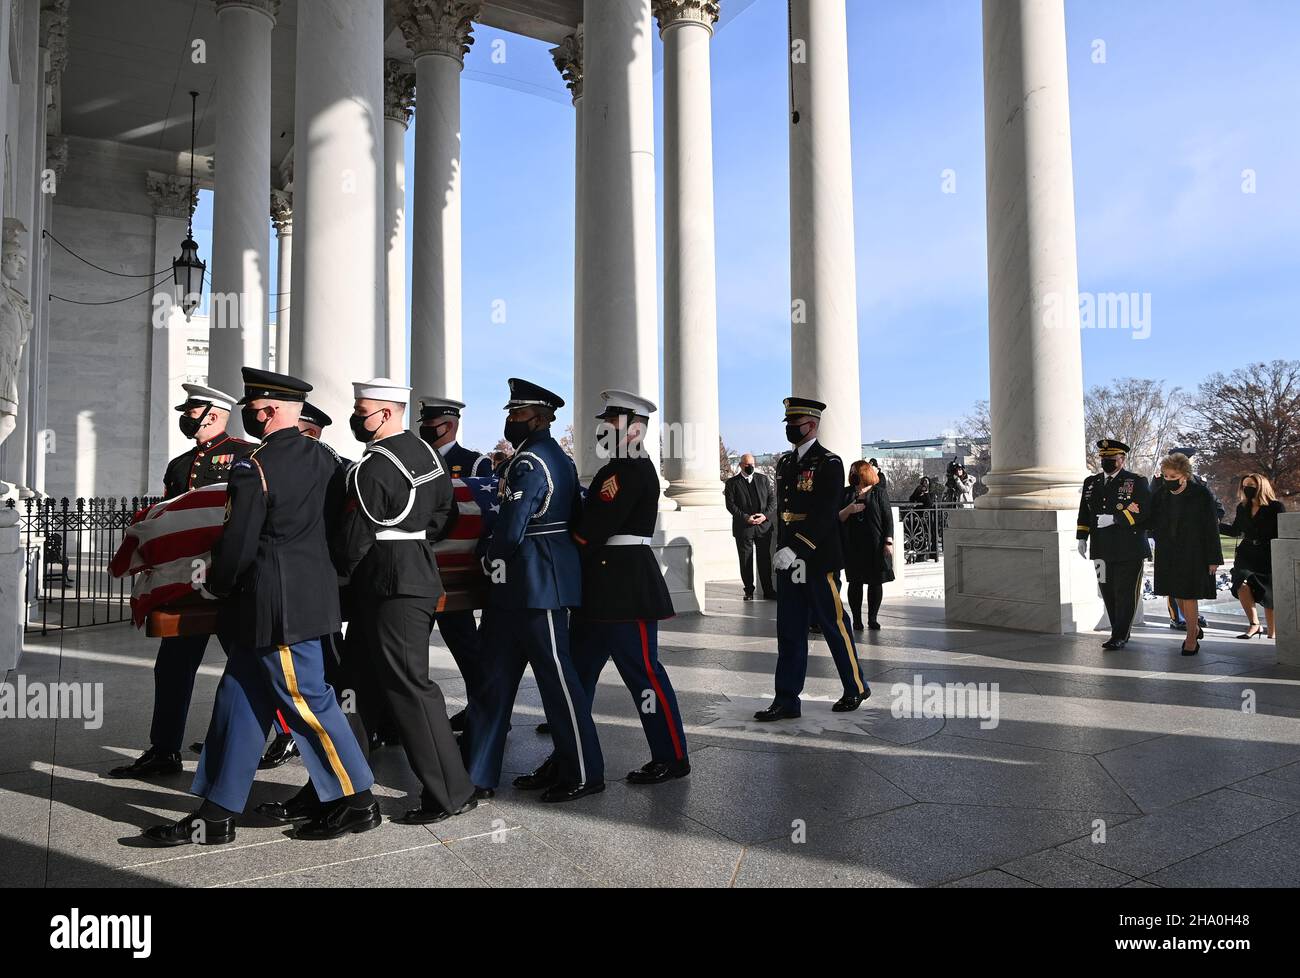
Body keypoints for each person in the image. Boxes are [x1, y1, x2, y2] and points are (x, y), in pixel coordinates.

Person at [140, 368, 377, 846]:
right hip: (297, 598)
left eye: (250, 406)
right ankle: (218, 811)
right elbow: (342, 526)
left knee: (307, 699)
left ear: (265, 411)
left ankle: (358, 801)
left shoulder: (255, 466)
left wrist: (218, 585)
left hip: (276, 606)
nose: (247, 414)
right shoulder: (327, 459)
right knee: (239, 700)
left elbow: (238, 542)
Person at [329, 378, 478, 824]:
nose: (357, 417)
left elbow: (354, 540)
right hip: (410, 572)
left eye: (363, 409)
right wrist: (411, 541)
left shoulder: (372, 467)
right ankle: (340, 785)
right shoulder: (428, 457)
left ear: (388, 413)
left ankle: (451, 792)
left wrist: (333, 585)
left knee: (409, 688)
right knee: (354, 685)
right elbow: (445, 516)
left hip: (387, 584)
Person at [106, 383, 256, 781]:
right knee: (172, 667)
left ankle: (266, 738)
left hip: (230, 581)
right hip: (187, 586)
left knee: (249, 664)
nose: (186, 416)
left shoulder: (246, 455)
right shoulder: (179, 464)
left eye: (193, 410)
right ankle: (164, 749)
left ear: (215, 413)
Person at [464, 378, 603, 803]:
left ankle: (581, 771)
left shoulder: (531, 463)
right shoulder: (553, 458)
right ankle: (479, 771)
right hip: (527, 585)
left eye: (518, 414)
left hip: (535, 583)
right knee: (496, 680)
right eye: (509, 413)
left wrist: (489, 556)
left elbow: (511, 526)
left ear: (540, 418)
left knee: (555, 683)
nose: (510, 420)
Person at [570, 390, 687, 784]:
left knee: (643, 675)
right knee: (578, 672)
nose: (604, 427)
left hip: (624, 585)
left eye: (612, 422)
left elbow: (594, 527)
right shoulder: (617, 467)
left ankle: (671, 756)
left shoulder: (629, 469)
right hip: (603, 585)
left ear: (634, 428)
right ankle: (570, 748)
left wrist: (566, 548)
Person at [755, 397, 869, 722]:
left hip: (817, 558)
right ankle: (786, 699)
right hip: (789, 557)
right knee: (789, 631)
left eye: (797, 424)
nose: (791, 429)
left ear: (813, 425)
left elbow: (824, 513)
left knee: (834, 626)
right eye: (788, 424)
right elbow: (786, 511)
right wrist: (780, 544)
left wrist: (797, 548)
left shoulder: (829, 463)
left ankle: (855, 686)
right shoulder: (785, 463)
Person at [417, 395, 492, 736]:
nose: (424, 429)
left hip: (454, 576)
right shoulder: (416, 461)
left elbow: (482, 514)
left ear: (448, 426)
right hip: (418, 569)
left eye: (430, 425)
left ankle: (483, 706)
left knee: (463, 643)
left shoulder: (475, 465)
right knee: (411, 649)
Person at [1075, 439, 1152, 650]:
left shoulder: (1136, 481)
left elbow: (1144, 510)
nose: (1106, 462)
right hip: (1101, 548)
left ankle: (1120, 634)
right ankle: (1117, 631)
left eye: (1111, 459)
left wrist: (1116, 518)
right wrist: (1082, 537)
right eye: (1103, 458)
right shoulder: (1091, 483)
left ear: (1122, 459)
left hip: (1129, 549)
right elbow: (1085, 511)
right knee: (1107, 591)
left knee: (1124, 593)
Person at [1148, 452, 1223, 656]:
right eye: (1166, 476)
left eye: (1173, 477)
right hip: (1168, 551)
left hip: (1194, 552)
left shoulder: (1201, 494)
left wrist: (1214, 558)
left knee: (1189, 594)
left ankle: (1191, 638)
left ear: (1185, 475)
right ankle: (1195, 629)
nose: (1169, 480)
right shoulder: (1161, 494)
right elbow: (1151, 520)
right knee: (1177, 592)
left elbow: (1210, 527)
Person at [1220, 473, 1286, 640]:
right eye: (1245, 485)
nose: (1247, 488)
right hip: (1246, 553)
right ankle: (1255, 624)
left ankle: (1272, 633)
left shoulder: (1276, 507)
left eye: (1251, 485)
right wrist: (1216, 525)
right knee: (1241, 582)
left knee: (1268, 592)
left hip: (1268, 553)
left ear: (1261, 487)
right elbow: (1236, 531)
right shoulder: (1242, 507)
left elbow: (1282, 532)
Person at [839, 460, 894, 632]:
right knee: (855, 582)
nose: (853, 474)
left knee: (875, 582)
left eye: (856, 471)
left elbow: (887, 519)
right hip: (853, 545)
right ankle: (856, 620)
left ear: (865, 473)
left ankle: (872, 618)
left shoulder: (879, 493)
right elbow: (838, 517)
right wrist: (849, 509)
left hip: (875, 545)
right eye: (851, 471)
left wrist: (888, 541)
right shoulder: (846, 493)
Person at [724, 452, 776, 600]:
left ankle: (768, 590)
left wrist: (764, 515)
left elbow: (772, 500)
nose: (750, 467)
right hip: (744, 528)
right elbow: (731, 505)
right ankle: (748, 590)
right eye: (747, 465)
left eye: (752, 464)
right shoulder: (732, 483)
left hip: (763, 527)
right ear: (741, 465)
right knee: (745, 561)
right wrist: (746, 518)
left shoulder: (763, 480)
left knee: (764, 560)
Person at [908, 476, 939, 562]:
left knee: (929, 536)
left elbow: (929, 503)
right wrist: (918, 493)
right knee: (919, 536)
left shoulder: (931, 493)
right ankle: (920, 555)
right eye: (923, 482)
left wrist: (926, 493)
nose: (925, 484)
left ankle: (932, 555)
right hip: (918, 517)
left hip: (928, 517)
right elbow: (911, 499)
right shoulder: (918, 490)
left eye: (927, 482)